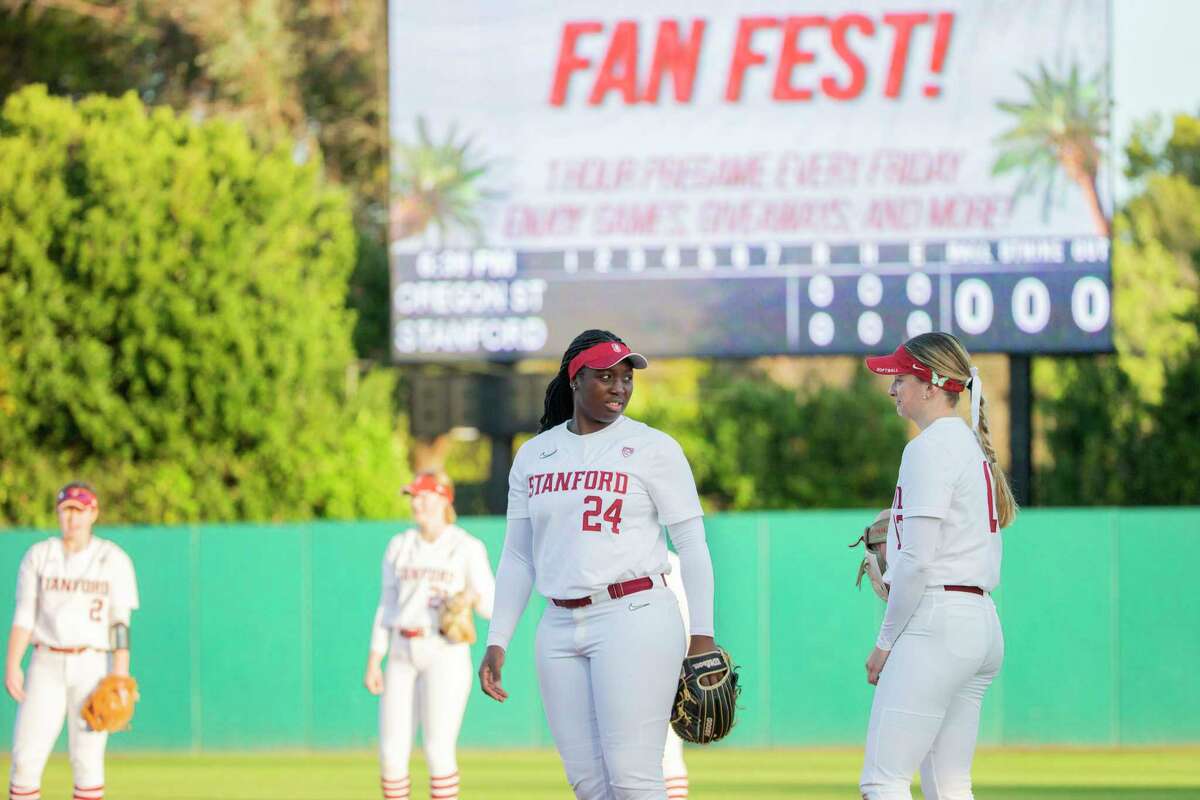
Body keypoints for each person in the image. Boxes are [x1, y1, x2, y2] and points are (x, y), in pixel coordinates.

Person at [477, 329, 721, 800]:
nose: (619, 387)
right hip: (558, 625)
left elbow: (692, 543)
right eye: (605, 376)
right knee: (589, 784)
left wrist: (703, 636)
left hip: (633, 616)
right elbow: (518, 556)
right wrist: (497, 639)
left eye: (626, 377)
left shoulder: (654, 448)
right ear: (575, 379)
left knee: (633, 779)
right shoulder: (534, 455)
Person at [859, 332, 1017, 800]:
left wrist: (884, 643)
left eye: (901, 379)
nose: (893, 389)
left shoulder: (928, 449)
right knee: (949, 785)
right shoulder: (970, 449)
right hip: (980, 624)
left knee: (882, 781)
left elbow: (917, 562)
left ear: (930, 386)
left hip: (939, 622)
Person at [364, 471, 495, 800]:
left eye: (423, 495)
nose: (416, 502)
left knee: (438, 751)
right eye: (413, 496)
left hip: (444, 651)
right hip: (401, 650)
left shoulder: (465, 547)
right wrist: (374, 658)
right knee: (391, 756)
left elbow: (491, 606)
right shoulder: (400, 545)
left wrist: (471, 597)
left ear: (443, 499)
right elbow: (387, 605)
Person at [5, 483, 139, 800]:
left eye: (79, 511)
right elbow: (24, 616)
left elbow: (119, 623)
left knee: (88, 761)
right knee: (25, 759)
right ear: (58, 513)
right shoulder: (40, 556)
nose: (72, 518)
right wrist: (12, 663)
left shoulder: (113, 559)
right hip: (45, 662)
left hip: (91, 666)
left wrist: (120, 675)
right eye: (67, 510)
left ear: (93, 513)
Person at [661, 552, 689, 800]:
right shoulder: (674, 562)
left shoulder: (671, 563)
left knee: (669, 751)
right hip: (671, 667)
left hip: (666, 668)